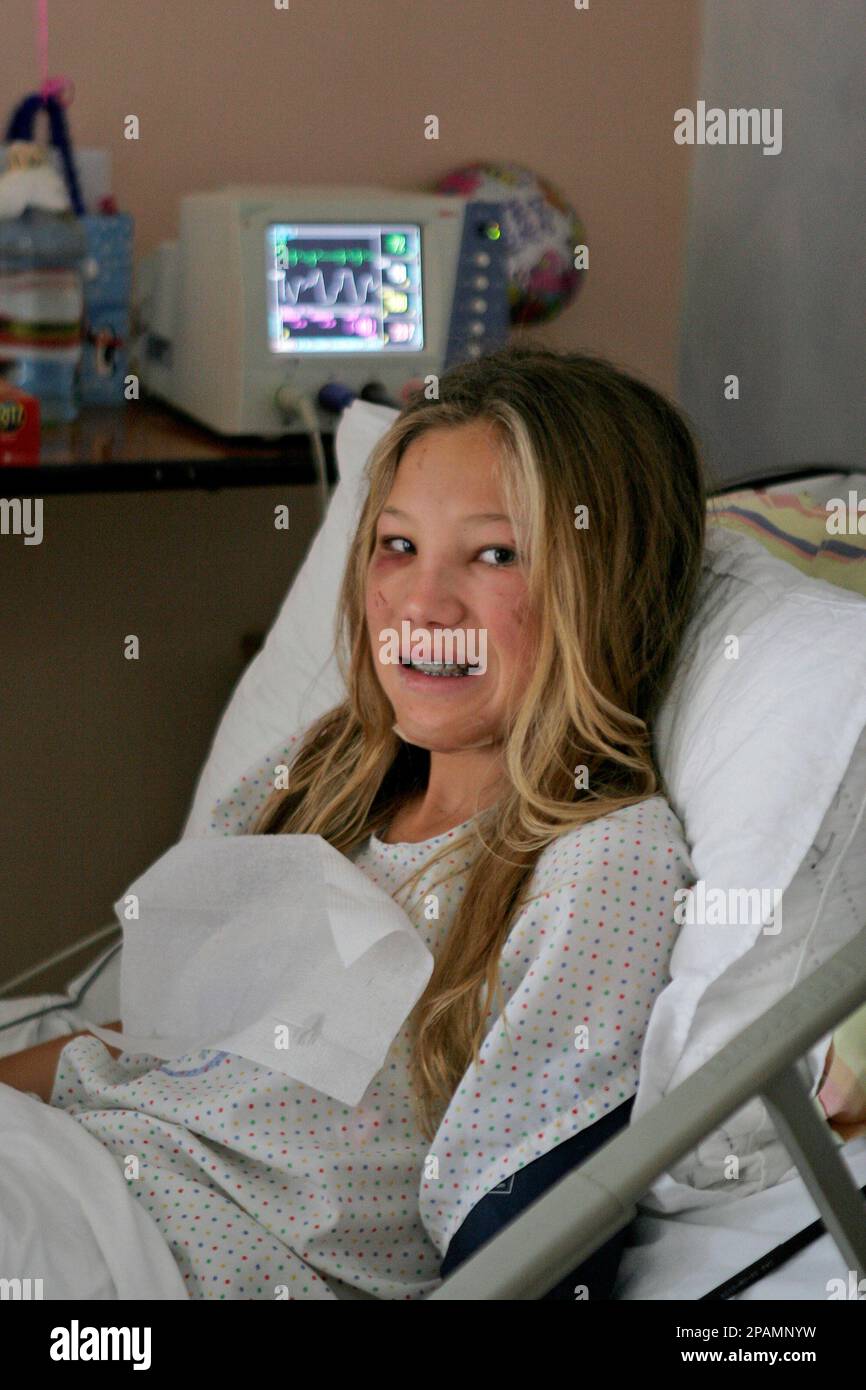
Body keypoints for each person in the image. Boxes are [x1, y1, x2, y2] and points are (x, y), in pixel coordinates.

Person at [0, 344, 705, 1299]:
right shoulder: (324, 775)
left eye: (495, 554)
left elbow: (523, 1237)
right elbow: (156, 1043)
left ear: (609, 583)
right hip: (63, 1166)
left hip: (152, 1260)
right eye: (398, 545)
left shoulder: (596, 864)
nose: (421, 602)